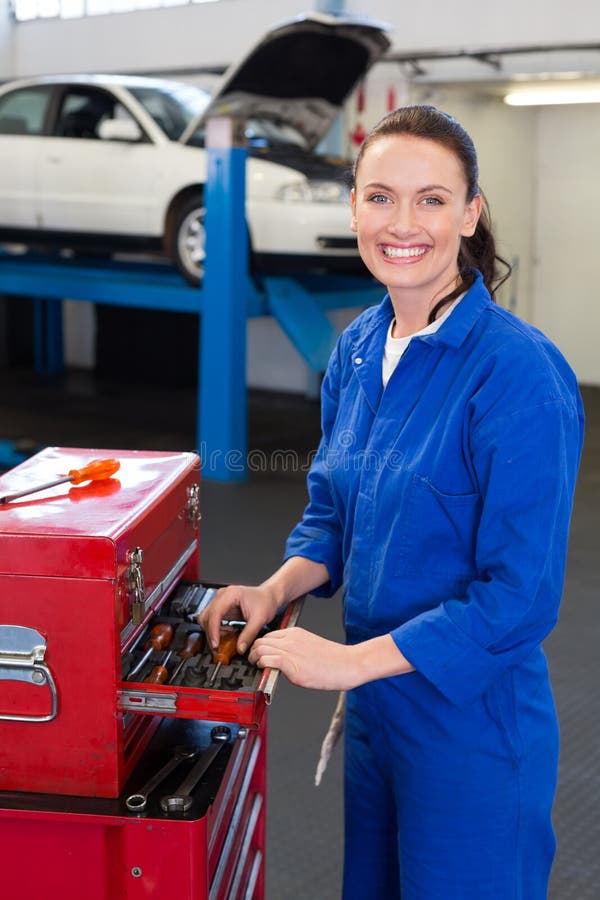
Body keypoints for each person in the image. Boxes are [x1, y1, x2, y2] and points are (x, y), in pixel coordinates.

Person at [200, 105, 585, 899]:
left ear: (469, 213)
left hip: (472, 732)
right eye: (380, 197)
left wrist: (346, 663)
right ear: (353, 208)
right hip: (380, 718)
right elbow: (337, 514)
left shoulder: (518, 377)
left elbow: (517, 600)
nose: (402, 223)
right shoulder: (357, 348)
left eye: (432, 199)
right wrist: (274, 590)